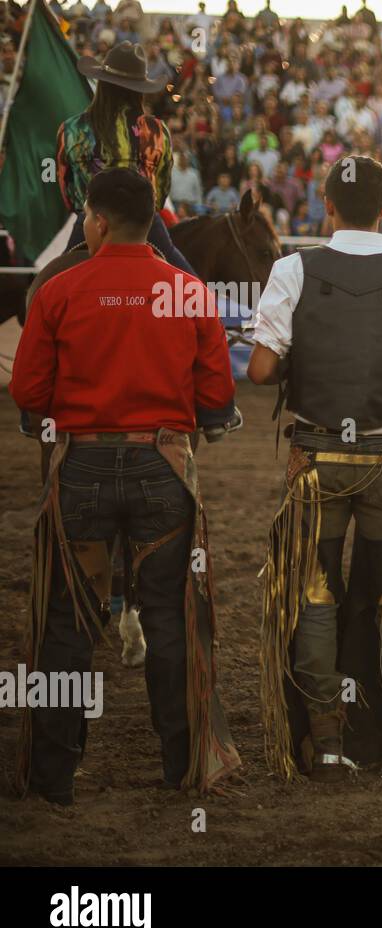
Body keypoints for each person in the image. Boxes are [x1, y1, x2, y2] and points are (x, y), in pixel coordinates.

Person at [9, 168, 241, 805]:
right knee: (170, 619)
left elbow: (28, 392)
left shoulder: (60, 289)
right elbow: (218, 396)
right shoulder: (189, 293)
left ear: (98, 221)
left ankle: (54, 776)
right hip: (162, 469)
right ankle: (180, 767)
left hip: (80, 469)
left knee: (66, 624)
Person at [246, 155, 382, 781]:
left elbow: (261, 370)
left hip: (314, 462)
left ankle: (326, 743)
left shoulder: (294, 269)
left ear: (326, 204)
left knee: (314, 592)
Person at [56, 42, 196, 274]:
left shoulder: (71, 129)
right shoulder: (157, 131)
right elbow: (160, 195)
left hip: (91, 221)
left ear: (101, 83)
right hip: (145, 227)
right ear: (139, 89)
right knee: (194, 292)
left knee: (48, 288)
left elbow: (68, 194)